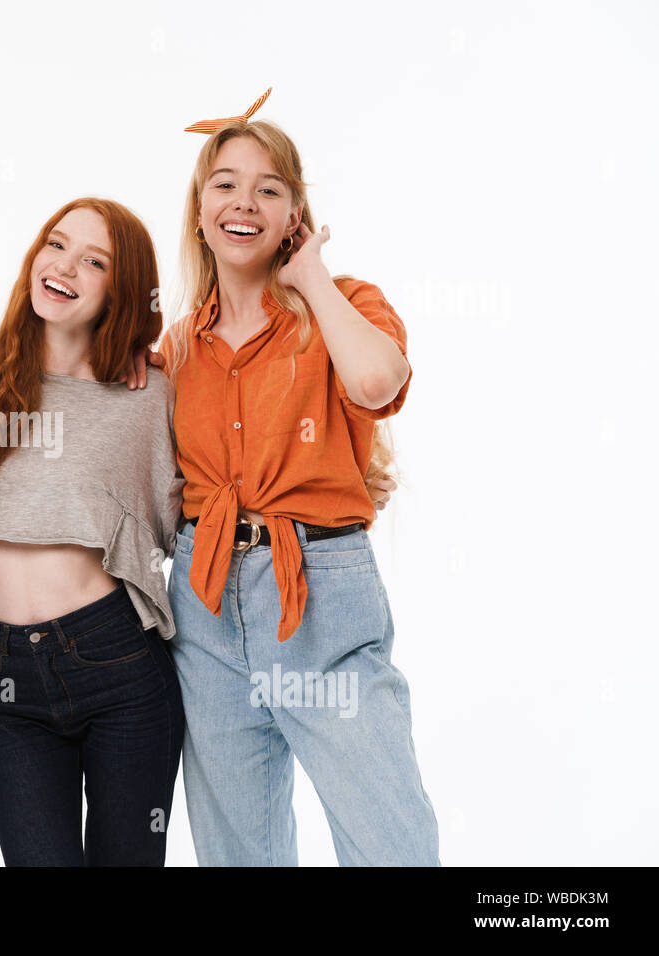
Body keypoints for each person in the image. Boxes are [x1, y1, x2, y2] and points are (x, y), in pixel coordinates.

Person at [159, 90, 440, 866]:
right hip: (205, 607)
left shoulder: (345, 302)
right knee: (236, 850)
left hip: (320, 595)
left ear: (294, 216)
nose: (243, 201)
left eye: (269, 188)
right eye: (225, 183)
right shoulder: (176, 350)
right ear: (198, 209)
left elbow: (380, 381)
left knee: (392, 844)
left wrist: (311, 277)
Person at [0, 198, 186, 866]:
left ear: (122, 289)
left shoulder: (149, 392)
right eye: (57, 245)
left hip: (119, 665)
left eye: (94, 261)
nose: (65, 266)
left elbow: (198, 504)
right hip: (0, 672)